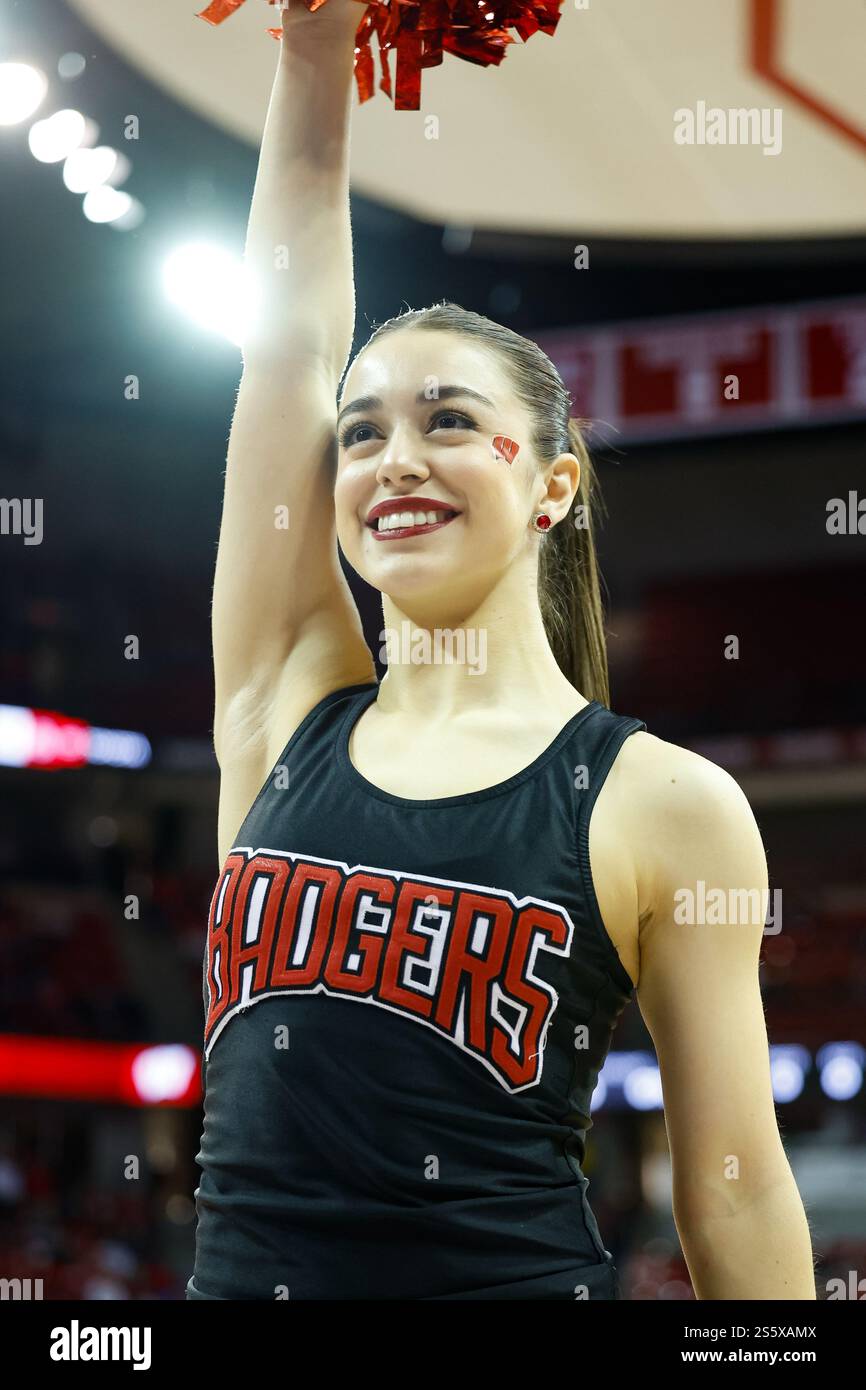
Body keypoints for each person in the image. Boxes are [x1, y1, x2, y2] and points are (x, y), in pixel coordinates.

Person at [186, 0, 816, 1300]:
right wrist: (316, 49)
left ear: (552, 484)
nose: (392, 456)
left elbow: (736, 1185)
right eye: (360, 433)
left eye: (447, 419)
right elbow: (286, 345)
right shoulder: (281, 698)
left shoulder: (663, 801)